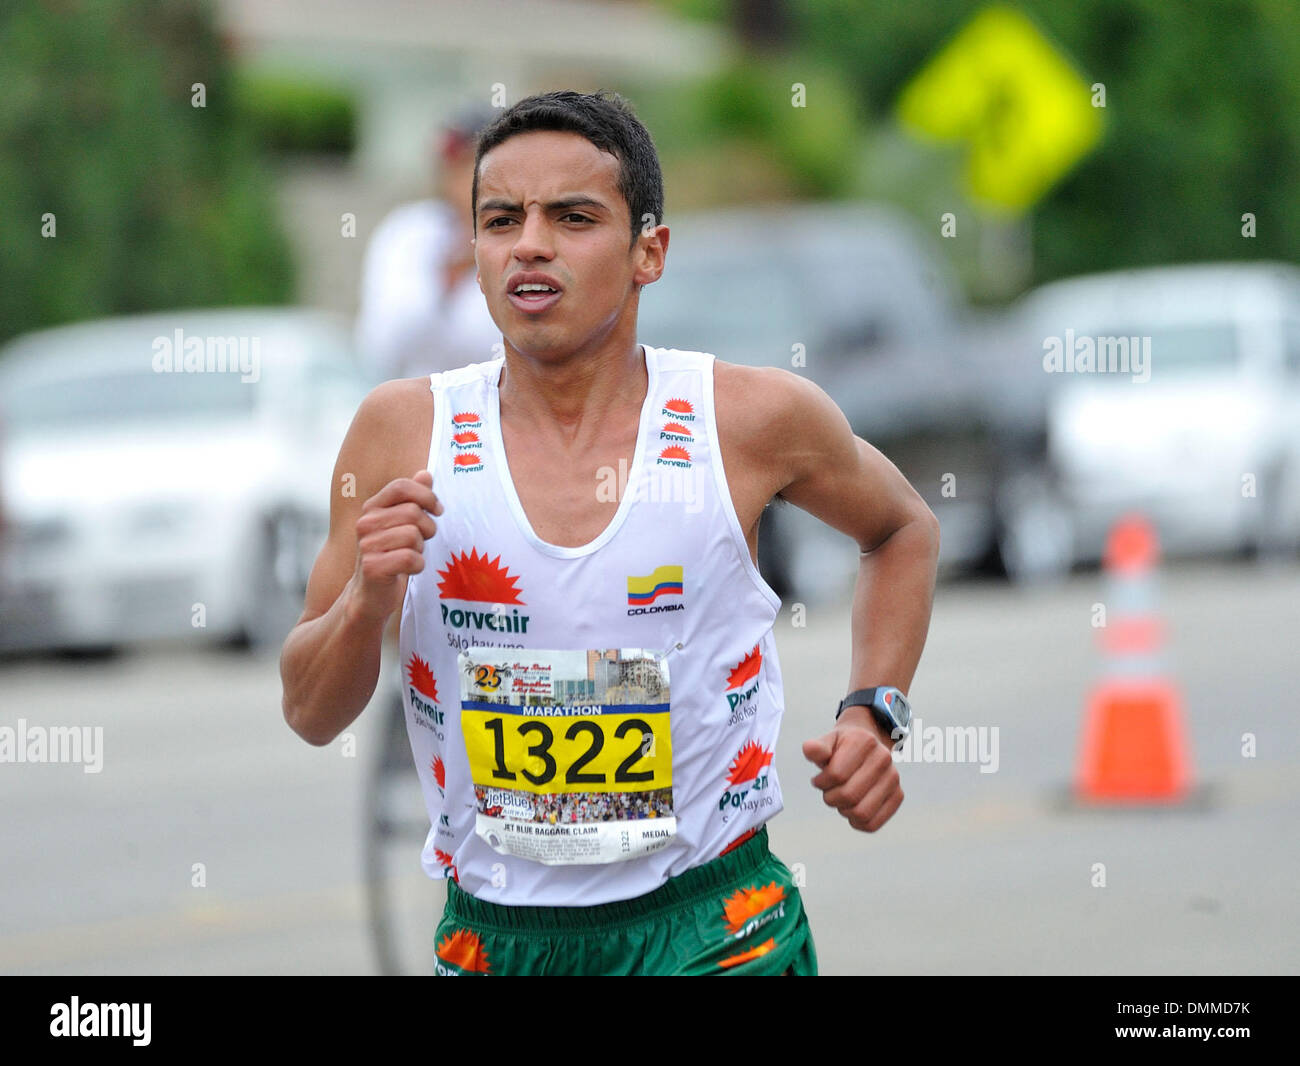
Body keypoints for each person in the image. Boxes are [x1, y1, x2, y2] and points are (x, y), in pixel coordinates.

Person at [280, 89, 941, 976]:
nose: (531, 244)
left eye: (574, 217)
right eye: (501, 219)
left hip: (715, 926)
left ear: (649, 252)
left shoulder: (745, 419)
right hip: (497, 942)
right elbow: (310, 712)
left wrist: (874, 713)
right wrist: (366, 602)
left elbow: (901, 528)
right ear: (473, 252)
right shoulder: (401, 434)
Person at [354, 104, 503, 382]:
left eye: (471, 165)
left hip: (499, 409)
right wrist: (448, 277)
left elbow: (508, 347)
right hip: (420, 407)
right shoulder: (409, 230)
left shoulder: (524, 236)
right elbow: (381, 344)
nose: (462, 180)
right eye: (454, 167)